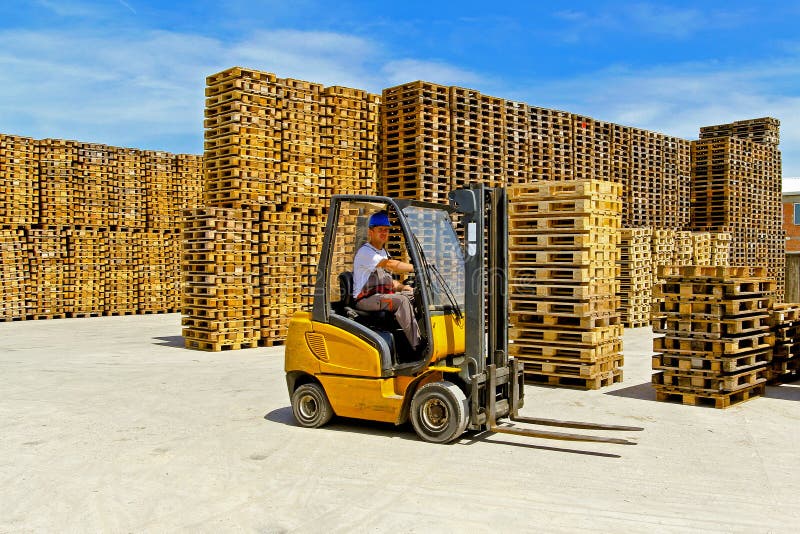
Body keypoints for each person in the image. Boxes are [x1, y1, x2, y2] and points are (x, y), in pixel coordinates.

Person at [352, 211, 424, 354]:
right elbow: (392, 265)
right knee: (402, 301)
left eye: (386, 230)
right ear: (370, 232)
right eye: (380, 230)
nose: (384, 233)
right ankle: (418, 347)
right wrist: (419, 267)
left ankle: (414, 339)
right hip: (365, 299)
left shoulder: (382, 252)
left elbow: (390, 283)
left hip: (380, 296)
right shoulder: (366, 252)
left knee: (415, 296)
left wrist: (405, 287)